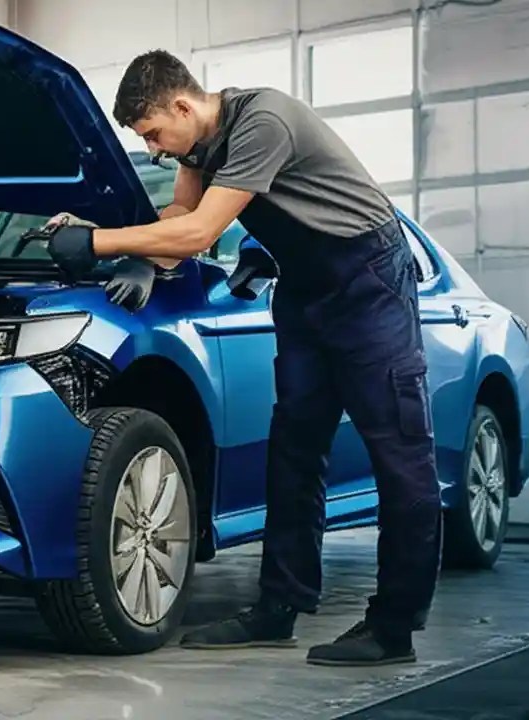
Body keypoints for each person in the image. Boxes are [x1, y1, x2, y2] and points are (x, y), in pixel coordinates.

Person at [38, 50, 441, 667]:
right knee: (294, 450)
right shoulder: (198, 147)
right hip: (305, 288)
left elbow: (198, 235)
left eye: (152, 134)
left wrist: (95, 242)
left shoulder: (263, 120)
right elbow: (178, 216)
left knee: (400, 454)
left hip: (369, 283)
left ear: (182, 105)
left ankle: (394, 628)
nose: (153, 149)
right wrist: (138, 255)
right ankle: (276, 610)